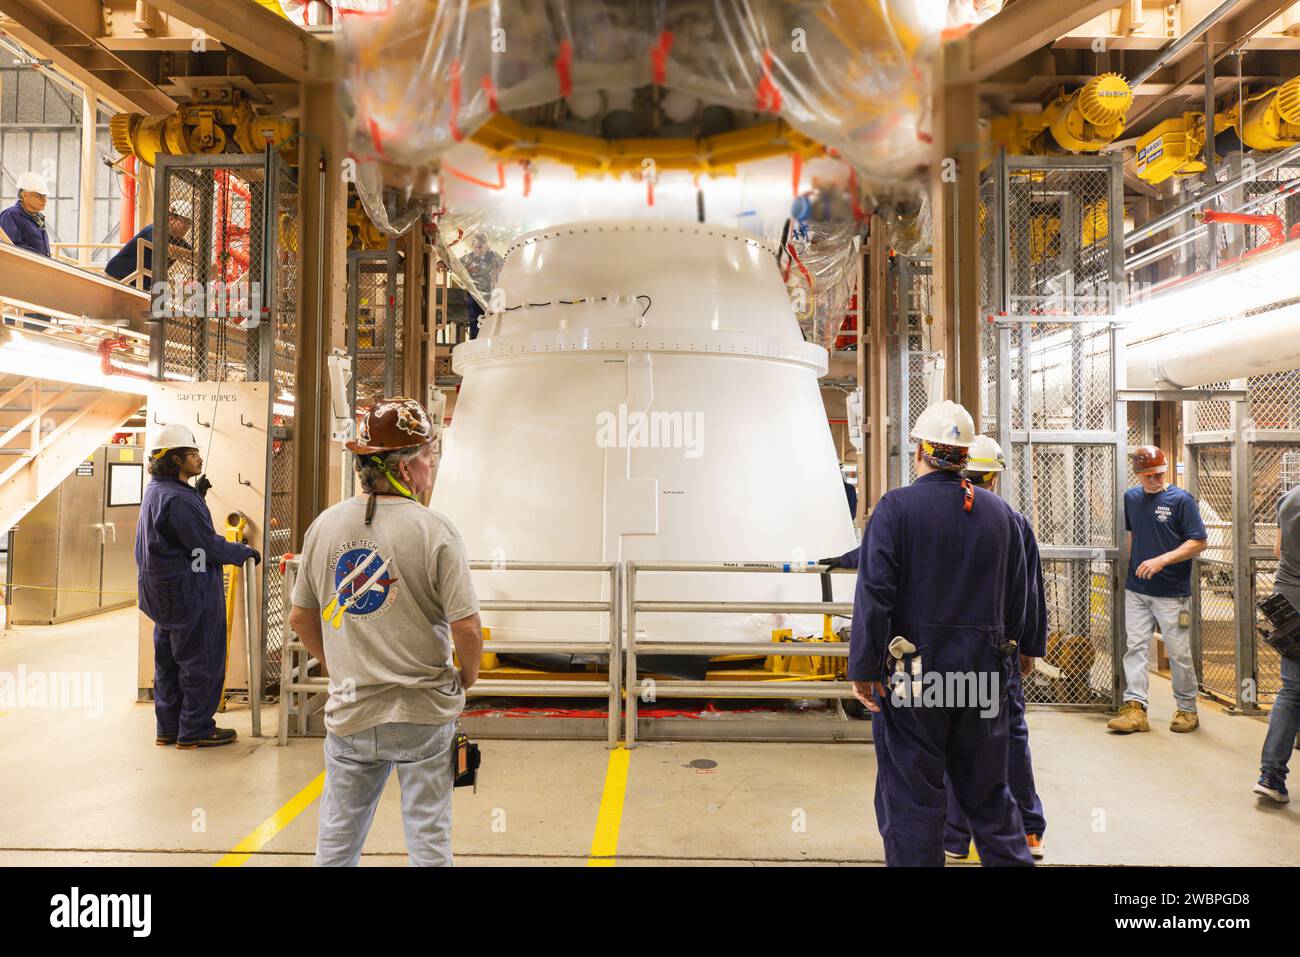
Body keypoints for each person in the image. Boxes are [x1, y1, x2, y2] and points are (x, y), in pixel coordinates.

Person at [288, 397, 483, 867]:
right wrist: (467, 678)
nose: (432, 468)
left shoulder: (324, 526)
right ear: (408, 467)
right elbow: (467, 627)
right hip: (422, 711)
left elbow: (300, 617)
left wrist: (340, 666)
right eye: (429, 457)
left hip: (352, 711)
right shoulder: (435, 530)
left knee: (337, 839)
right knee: (428, 837)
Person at [850, 400, 1034, 866]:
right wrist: (1012, 658)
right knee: (990, 798)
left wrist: (865, 666)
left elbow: (875, 593)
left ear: (921, 451)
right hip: (983, 677)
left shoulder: (896, 508)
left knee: (914, 795)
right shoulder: (999, 514)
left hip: (915, 675)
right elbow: (1017, 598)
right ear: (965, 455)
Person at [944, 434, 1047, 861]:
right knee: (1008, 736)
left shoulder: (935, 516)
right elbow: (1029, 590)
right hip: (997, 651)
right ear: (995, 478)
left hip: (942, 654)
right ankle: (1027, 832)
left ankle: (954, 837)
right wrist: (1027, 646)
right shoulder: (1011, 520)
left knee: (949, 737)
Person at [136, 423, 260, 749]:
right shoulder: (181, 500)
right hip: (187, 590)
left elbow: (175, 534)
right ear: (176, 460)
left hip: (156, 591)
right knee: (200, 660)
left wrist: (196, 495)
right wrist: (243, 552)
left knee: (168, 661)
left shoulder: (157, 491)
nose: (199, 458)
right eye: (193, 454)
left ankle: (169, 728)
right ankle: (196, 729)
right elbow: (205, 547)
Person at [1109, 446, 1208, 734]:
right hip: (1137, 590)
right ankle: (1135, 708)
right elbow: (1133, 536)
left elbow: (1199, 541)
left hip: (1172, 593)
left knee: (1178, 652)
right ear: (1138, 475)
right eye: (1148, 475)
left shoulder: (1181, 501)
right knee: (1136, 647)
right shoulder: (1132, 498)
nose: (1154, 480)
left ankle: (1187, 709)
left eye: (1158, 474)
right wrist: (1137, 565)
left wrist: (1162, 560)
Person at [1256, 482, 1300, 803]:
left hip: (1286, 602)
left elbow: (1277, 551)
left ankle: (1271, 776)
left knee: (1292, 691)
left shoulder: (1288, 497)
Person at [104, 202, 192, 290]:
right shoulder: (154, 230)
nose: (187, 227)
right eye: (185, 222)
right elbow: (165, 249)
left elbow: (195, 256)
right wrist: (186, 254)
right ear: (171, 219)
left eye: (190, 223)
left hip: (138, 285)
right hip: (118, 278)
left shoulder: (179, 242)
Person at [0, 171, 52, 257]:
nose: (44, 200)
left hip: (39, 267)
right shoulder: (10, 215)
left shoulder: (37, 218)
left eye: (45, 196)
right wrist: (42, 260)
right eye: (39, 195)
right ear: (25, 195)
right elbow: (12, 246)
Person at [462, 233, 503, 339]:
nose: (478, 249)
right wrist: (441, 264)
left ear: (486, 245)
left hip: (493, 293)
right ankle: (475, 341)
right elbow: (455, 264)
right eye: (475, 247)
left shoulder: (494, 257)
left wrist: (498, 271)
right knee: (475, 318)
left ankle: (494, 339)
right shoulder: (469, 258)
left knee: (495, 318)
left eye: (480, 247)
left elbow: (505, 266)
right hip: (475, 295)